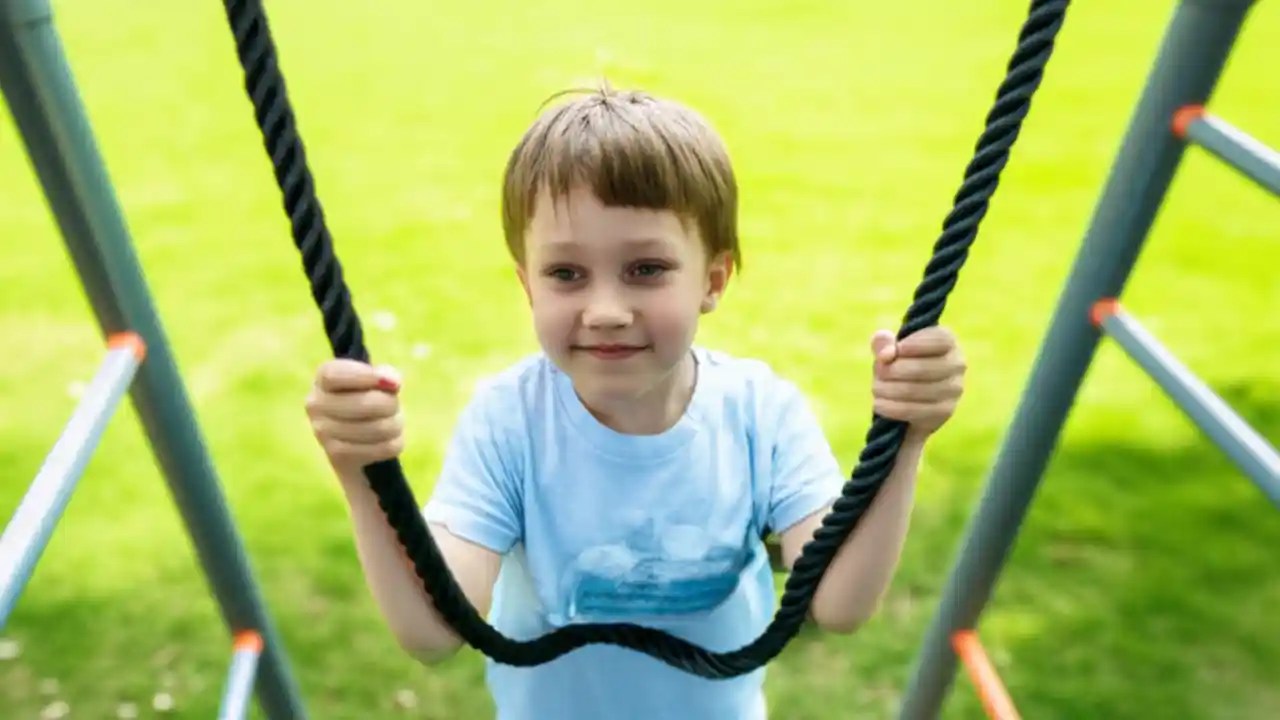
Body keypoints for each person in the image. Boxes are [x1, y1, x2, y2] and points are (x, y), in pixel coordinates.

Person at [305, 85, 967, 719]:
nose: (606, 311)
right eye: (566, 274)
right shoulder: (508, 421)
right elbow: (434, 632)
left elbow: (840, 603)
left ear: (713, 279)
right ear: (528, 286)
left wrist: (905, 439)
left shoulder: (761, 413)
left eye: (645, 270)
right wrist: (362, 474)